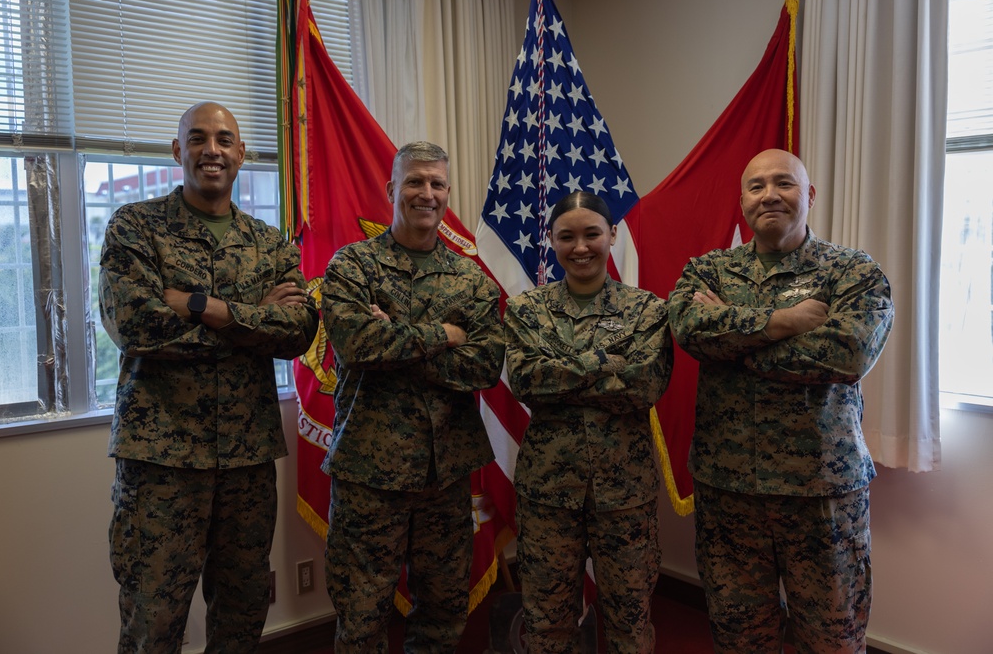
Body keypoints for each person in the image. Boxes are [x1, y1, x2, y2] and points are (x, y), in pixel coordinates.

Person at [98, 101, 319, 653]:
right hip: (160, 462)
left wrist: (205, 306)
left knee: (242, 619)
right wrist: (252, 318)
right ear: (178, 151)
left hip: (246, 462)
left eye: (224, 140)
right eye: (197, 139)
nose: (211, 150)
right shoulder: (136, 226)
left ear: (241, 154)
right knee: (154, 622)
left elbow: (297, 332)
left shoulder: (269, 243)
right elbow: (136, 325)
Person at [666, 149, 894, 653]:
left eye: (785, 183)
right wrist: (786, 321)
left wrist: (736, 336)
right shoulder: (707, 271)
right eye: (756, 186)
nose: (770, 194)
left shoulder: (853, 271)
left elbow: (847, 353)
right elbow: (690, 330)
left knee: (832, 639)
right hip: (730, 493)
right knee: (739, 637)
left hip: (822, 494)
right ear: (742, 201)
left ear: (808, 195)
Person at [318, 141, 505, 653]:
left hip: (444, 477)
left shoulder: (471, 281)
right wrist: (446, 334)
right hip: (367, 476)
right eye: (415, 182)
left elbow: (486, 366)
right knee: (361, 621)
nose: (426, 193)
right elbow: (358, 345)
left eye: (437, 183)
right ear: (391, 189)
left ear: (447, 192)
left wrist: (396, 338)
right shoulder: (352, 267)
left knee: (443, 617)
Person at [503, 191, 673, 654]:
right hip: (548, 495)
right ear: (551, 242)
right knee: (547, 626)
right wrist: (607, 361)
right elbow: (526, 382)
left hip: (626, 495)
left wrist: (562, 371)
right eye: (567, 237)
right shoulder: (525, 311)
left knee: (630, 627)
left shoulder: (649, 310)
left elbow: (645, 386)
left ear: (612, 235)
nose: (581, 247)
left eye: (592, 233)